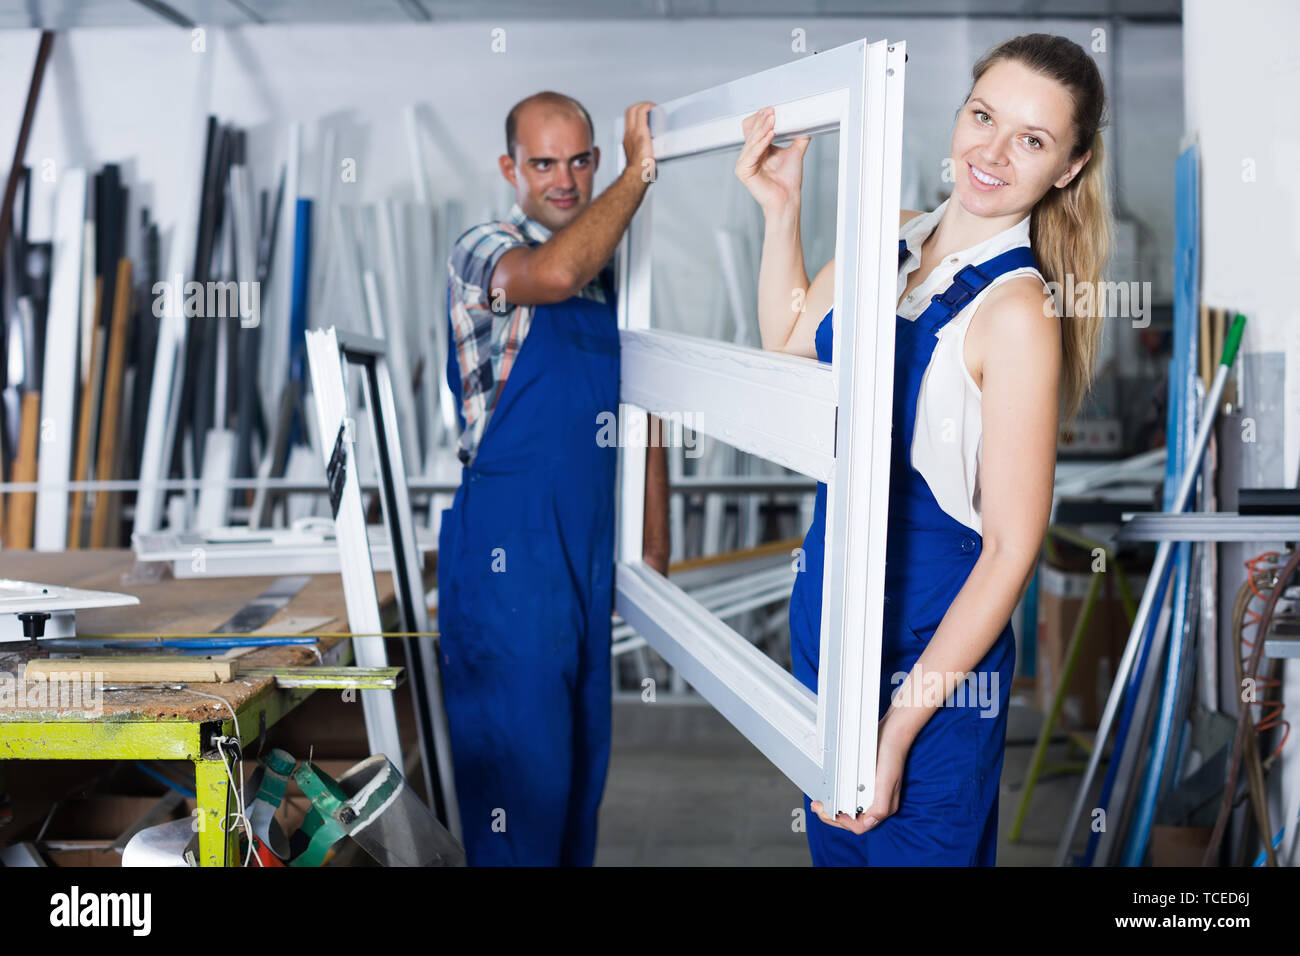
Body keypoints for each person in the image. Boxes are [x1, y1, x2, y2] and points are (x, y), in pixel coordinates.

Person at [736, 33, 1111, 865]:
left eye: (1033, 139)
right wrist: (781, 212)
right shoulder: (893, 235)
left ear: (1071, 166)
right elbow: (791, 350)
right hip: (833, 624)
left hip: (930, 668)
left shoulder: (1017, 314)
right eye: (984, 115)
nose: (993, 151)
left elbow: (1013, 550)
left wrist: (900, 729)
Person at [439, 92, 670, 865]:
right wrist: (641, 173)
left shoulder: (616, 272)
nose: (564, 179)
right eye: (543, 162)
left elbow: (649, 405)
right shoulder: (487, 247)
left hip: (584, 559)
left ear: (594, 160)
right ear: (511, 168)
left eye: (580, 160)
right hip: (507, 559)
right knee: (520, 786)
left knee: (577, 782)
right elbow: (557, 271)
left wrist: (652, 546)